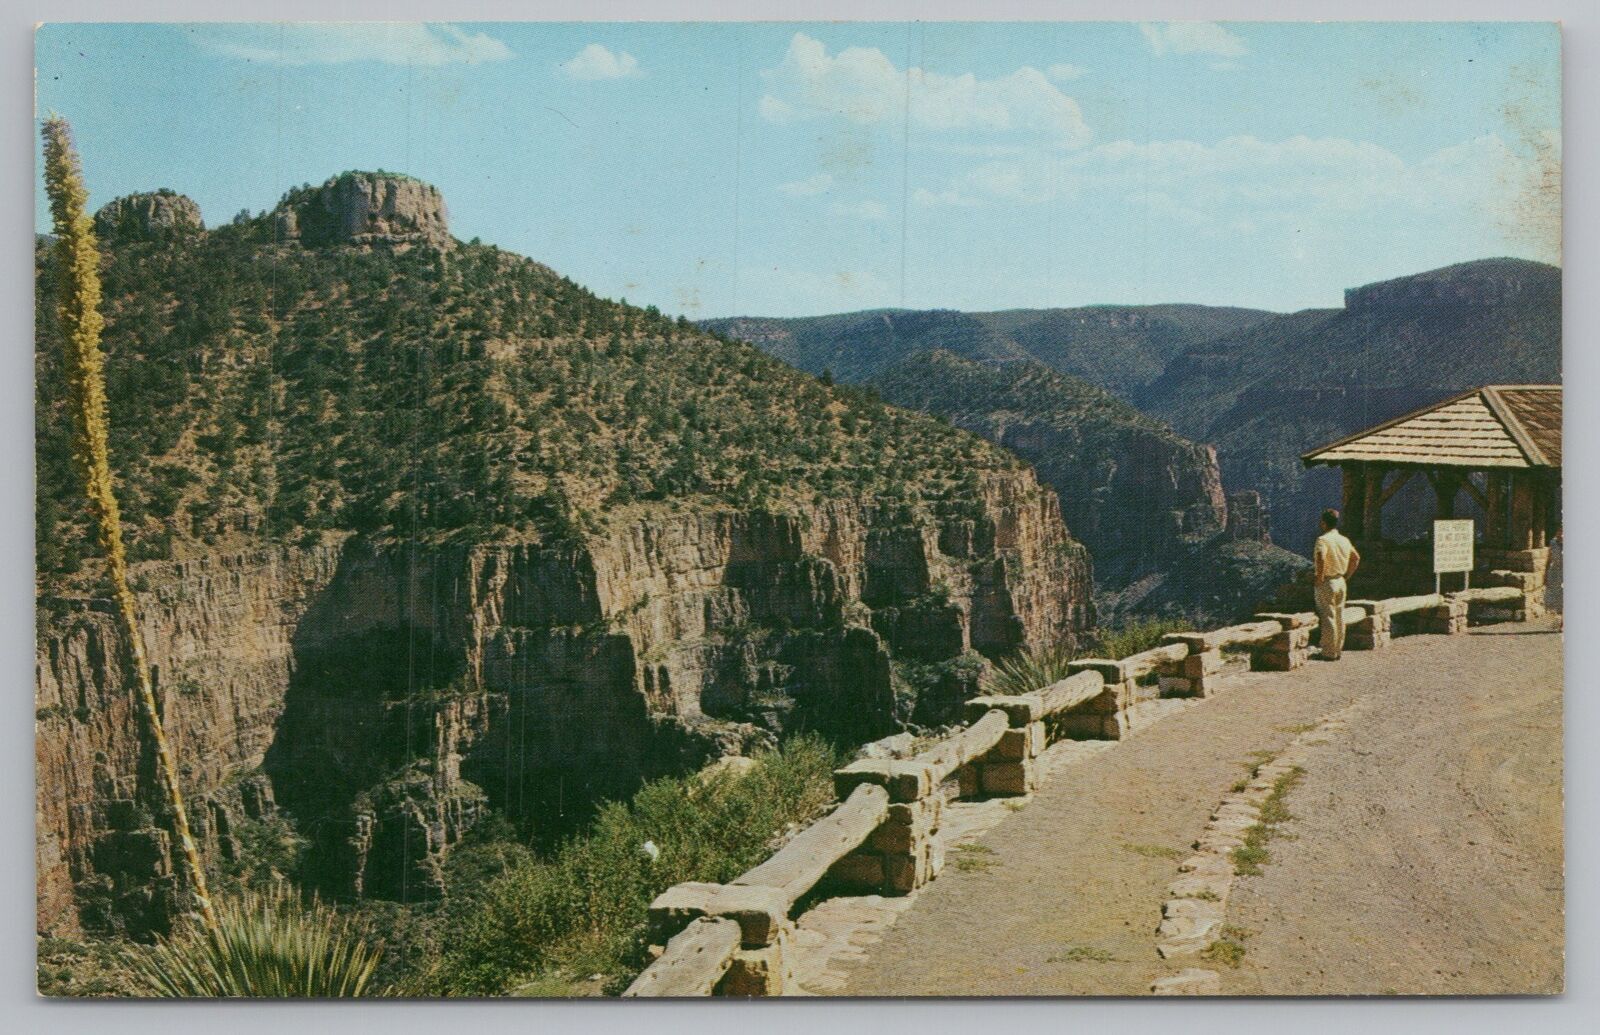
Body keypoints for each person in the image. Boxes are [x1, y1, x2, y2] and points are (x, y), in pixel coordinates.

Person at [1313, 508, 1360, 660]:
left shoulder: (1323, 540)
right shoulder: (1344, 540)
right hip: (1341, 581)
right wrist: (1347, 576)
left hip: (1328, 581)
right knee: (1339, 615)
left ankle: (1328, 652)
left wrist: (1319, 578)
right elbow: (1356, 558)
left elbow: (1321, 557)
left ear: (1324, 523)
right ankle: (1338, 650)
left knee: (1328, 616)